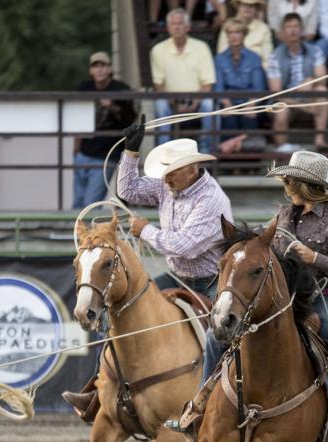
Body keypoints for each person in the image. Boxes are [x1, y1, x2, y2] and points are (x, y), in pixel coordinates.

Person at [175, 150, 328, 442]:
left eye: (289, 180)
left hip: (323, 297)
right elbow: (261, 248)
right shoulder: (283, 216)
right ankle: (201, 408)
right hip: (282, 299)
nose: (285, 185)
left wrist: (314, 258)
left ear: (305, 185)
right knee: (215, 336)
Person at [61, 117, 234, 415]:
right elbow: (128, 190)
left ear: (192, 169)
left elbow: (183, 245)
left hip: (213, 281)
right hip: (179, 276)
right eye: (165, 172)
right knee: (120, 311)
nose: (166, 178)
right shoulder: (170, 186)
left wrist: (145, 231)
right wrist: (131, 152)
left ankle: (212, 400)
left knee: (218, 335)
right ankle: (98, 390)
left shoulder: (211, 200)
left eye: (172, 172)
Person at [72, 51, 136, 210]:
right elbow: (75, 117)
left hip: (106, 156)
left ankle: (86, 227)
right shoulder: (84, 89)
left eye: (103, 65)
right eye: (95, 66)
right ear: (91, 71)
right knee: (76, 204)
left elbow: (130, 120)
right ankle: (76, 227)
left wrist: (112, 107)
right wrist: (76, 148)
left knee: (90, 205)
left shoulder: (121, 90)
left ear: (110, 69)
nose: (99, 69)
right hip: (83, 153)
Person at [150, 8, 216, 153]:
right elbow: (158, 84)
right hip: (170, 99)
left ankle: (206, 151)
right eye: (173, 24)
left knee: (209, 104)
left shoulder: (201, 47)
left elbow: (208, 82)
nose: (177, 27)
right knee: (160, 105)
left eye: (180, 23)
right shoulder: (158, 50)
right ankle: (164, 153)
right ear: (168, 28)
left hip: (197, 98)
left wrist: (195, 102)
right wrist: (174, 103)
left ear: (188, 27)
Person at [267, 11, 328, 152]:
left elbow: (322, 80)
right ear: (283, 31)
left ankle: (320, 139)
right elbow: (277, 93)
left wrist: (310, 82)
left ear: (302, 30)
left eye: (296, 26)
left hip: (309, 96)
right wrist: (303, 104)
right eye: (289, 27)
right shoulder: (275, 55)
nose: (293, 30)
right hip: (287, 100)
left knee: (321, 90)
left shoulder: (315, 50)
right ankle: (282, 150)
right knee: (280, 109)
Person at [213, 18, 266, 148]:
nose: (234, 36)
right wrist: (228, 105)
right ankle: (230, 156)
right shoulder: (219, 59)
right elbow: (219, 88)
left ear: (244, 35)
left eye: (237, 32)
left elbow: (258, 87)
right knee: (229, 118)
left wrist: (251, 105)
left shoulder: (254, 57)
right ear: (227, 36)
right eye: (230, 33)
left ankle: (248, 158)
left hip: (249, 102)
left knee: (249, 117)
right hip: (228, 103)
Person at [215, 0, 271, 70]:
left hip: (257, 71)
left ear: (256, 9)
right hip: (230, 71)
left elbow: (267, 59)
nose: (247, 8)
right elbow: (221, 53)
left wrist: (259, 72)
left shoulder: (264, 29)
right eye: (244, 5)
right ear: (238, 6)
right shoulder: (227, 25)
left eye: (251, 6)